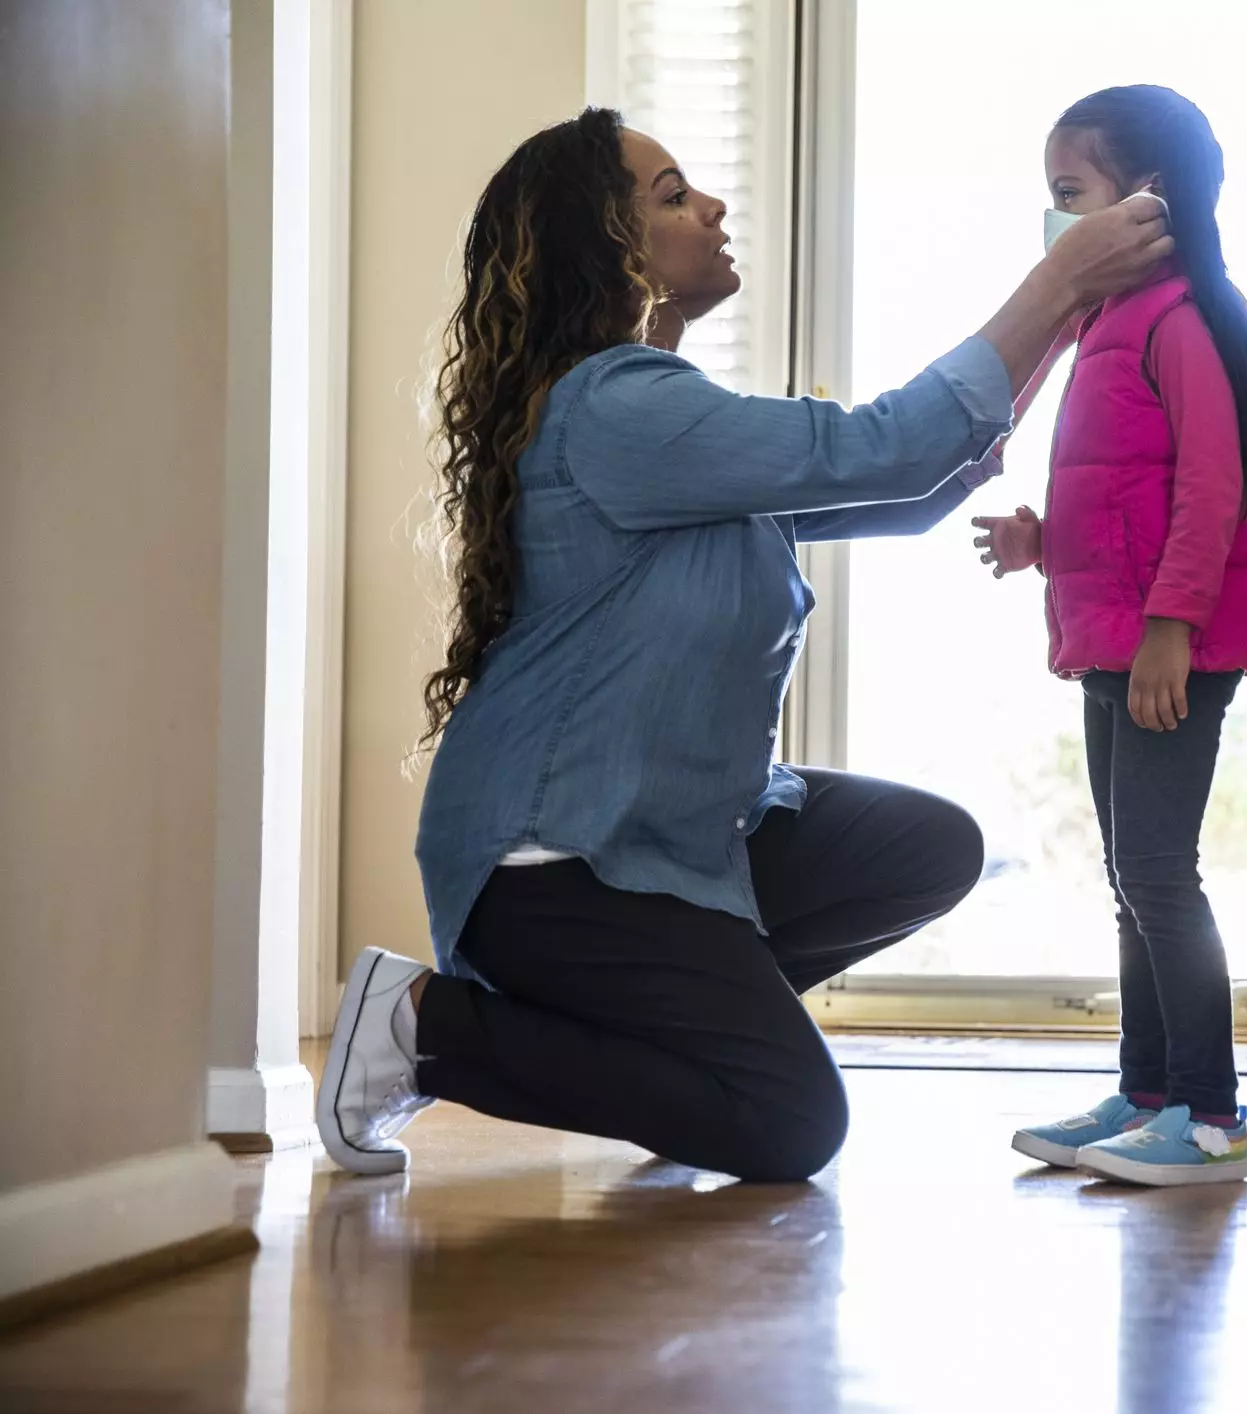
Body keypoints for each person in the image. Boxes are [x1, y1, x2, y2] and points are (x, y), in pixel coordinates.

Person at [314, 107, 1173, 1180]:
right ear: (605, 245)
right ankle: (418, 1025)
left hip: (669, 836)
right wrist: (1059, 283)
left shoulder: (669, 427)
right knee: (789, 1124)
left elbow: (911, 484)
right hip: (554, 866)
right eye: (672, 195)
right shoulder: (615, 410)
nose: (712, 208)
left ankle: (679, 1055)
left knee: (927, 847)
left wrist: (1071, 302)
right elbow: (886, 445)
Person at [976, 87, 1247, 1187]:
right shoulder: (1109, 322)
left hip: (1169, 643)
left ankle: (1211, 1117)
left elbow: (1212, 488)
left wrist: (1172, 626)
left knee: (1161, 871)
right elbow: (1129, 491)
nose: (1056, 220)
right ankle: (1146, 1091)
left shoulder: (1184, 315)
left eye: (1069, 194)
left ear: (1146, 200)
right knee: (1131, 875)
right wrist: (1039, 538)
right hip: (1114, 632)